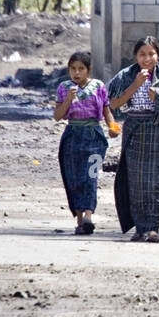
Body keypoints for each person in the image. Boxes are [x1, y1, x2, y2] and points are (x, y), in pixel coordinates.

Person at [108, 36, 159, 242]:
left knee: (157, 183)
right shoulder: (126, 75)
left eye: (151, 54)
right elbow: (113, 104)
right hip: (135, 130)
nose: (147, 58)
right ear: (136, 56)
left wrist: (157, 98)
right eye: (142, 54)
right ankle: (140, 227)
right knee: (136, 182)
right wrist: (135, 86)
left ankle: (152, 228)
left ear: (158, 56)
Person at [53, 51, 116, 234]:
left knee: (91, 176)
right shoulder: (64, 88)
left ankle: (89, 215)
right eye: (73, 69)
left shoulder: (98, 86)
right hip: (72, 136)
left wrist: (113, 128)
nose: (77, 73)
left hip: (94, 137)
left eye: (81, 69)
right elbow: (58, 116)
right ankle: (80, 220)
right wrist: (67, 101)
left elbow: (107, 111)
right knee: (74, 179)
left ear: (88, 70)